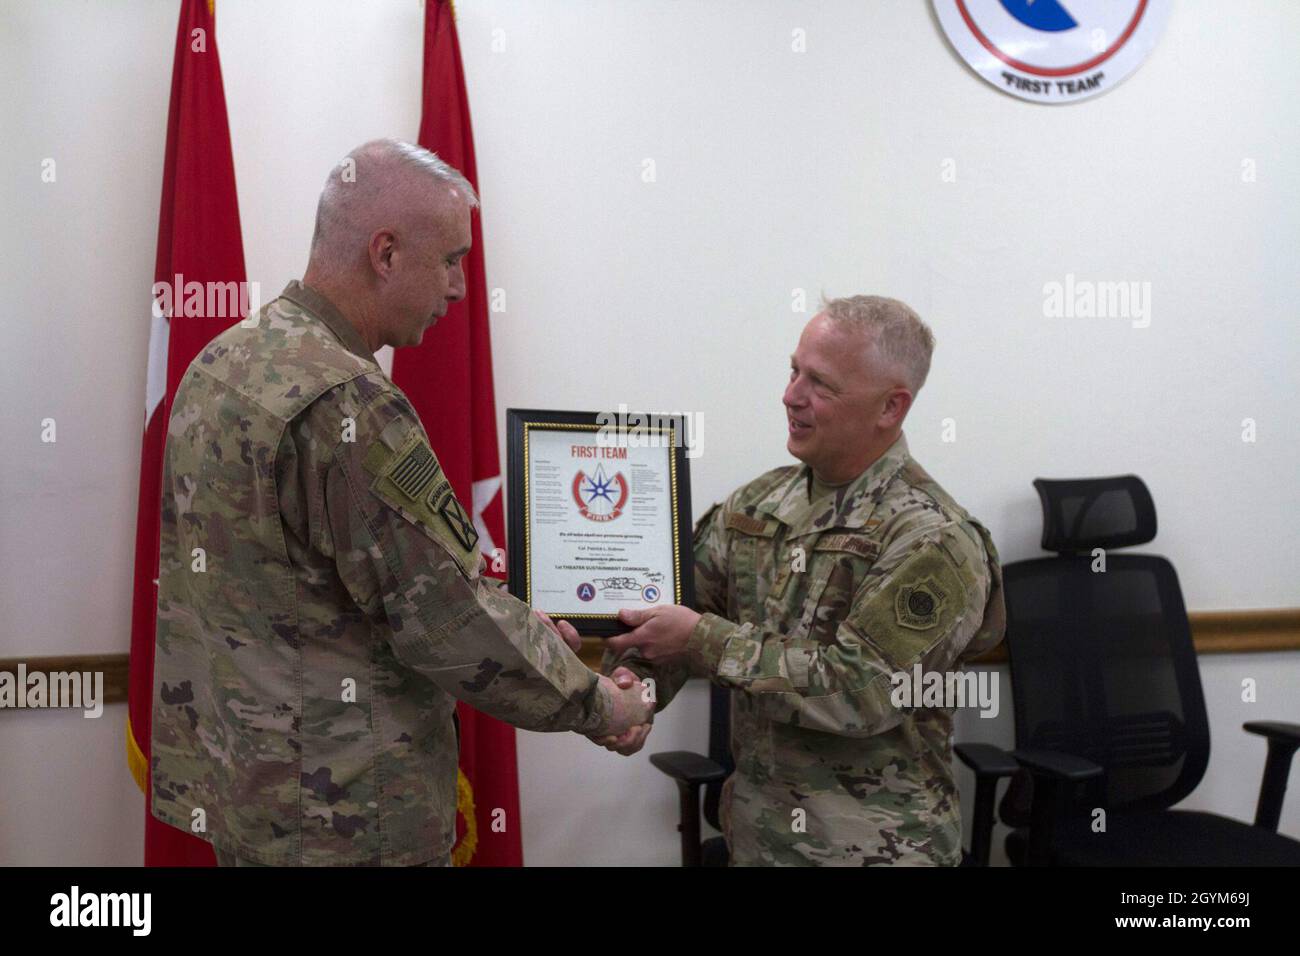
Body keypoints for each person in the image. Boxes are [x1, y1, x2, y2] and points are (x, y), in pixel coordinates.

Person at [150, 139, 652, 867]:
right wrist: (603, 703)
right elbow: (445, 616)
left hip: (251, 799)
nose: (459, 288)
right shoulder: (348, 401)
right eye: (450, 260)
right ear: (385, 254)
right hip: (348, 821)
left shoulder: (221, 362)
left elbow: (304, 589)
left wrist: (517, 626)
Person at [604, 295, 1005, 865]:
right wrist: (632, 692)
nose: (791, 395)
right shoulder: (755, 505)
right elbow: (675, 614)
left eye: (821, 383)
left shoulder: (932, 538)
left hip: (876, 853)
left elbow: (862, 691)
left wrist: (703, 640)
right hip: (757, 841)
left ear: (891, 406)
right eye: (794, 371)